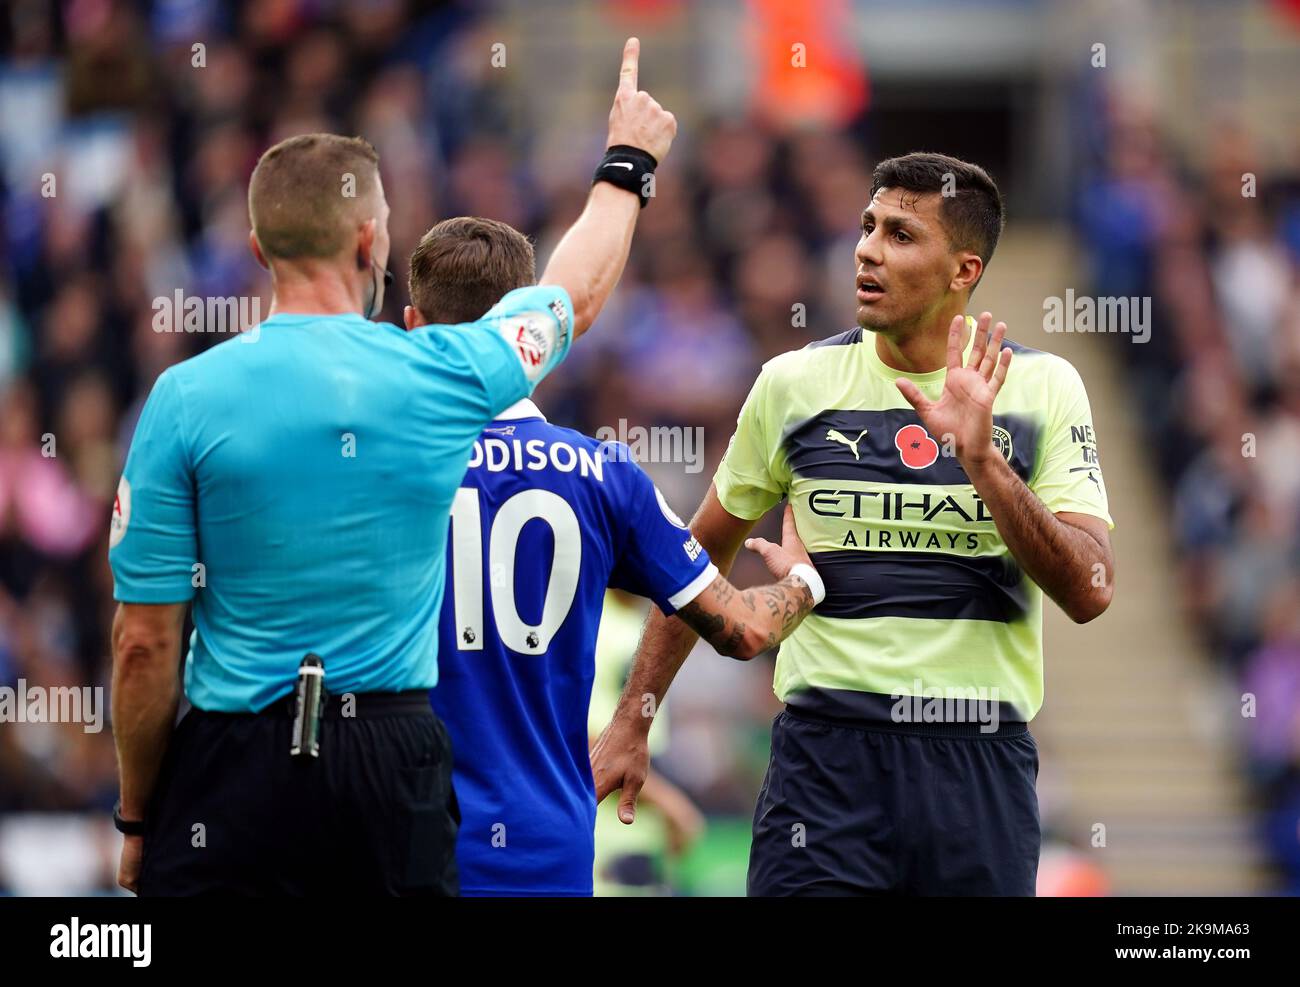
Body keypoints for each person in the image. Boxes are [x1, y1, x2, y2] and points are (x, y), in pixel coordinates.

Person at [108, 37, 675, 896]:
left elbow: (144, 644)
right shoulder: (440, 374)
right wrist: (628, 159)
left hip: (232, 764)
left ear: (258, 248)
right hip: (389, 759)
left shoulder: (183, 398)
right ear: (372, 238)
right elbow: (576, 293)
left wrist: (139, 815)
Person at [591, 152, 1117, 896]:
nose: (867, 248)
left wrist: (984, 462)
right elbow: (697, 556)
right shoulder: (794, 384)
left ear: (963, 270)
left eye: (901, 235)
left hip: (978, 768)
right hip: (826, 762)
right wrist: (634, 720)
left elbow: (1091, 588)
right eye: (867, 226)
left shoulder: (1042, 388)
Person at [405, 216, 823, 896]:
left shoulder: (378, 463)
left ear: (412, 324)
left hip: (399, 843)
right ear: (529, 335)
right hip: (547, 851)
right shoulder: (602, 473)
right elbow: (746, 627)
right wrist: (805, 579)